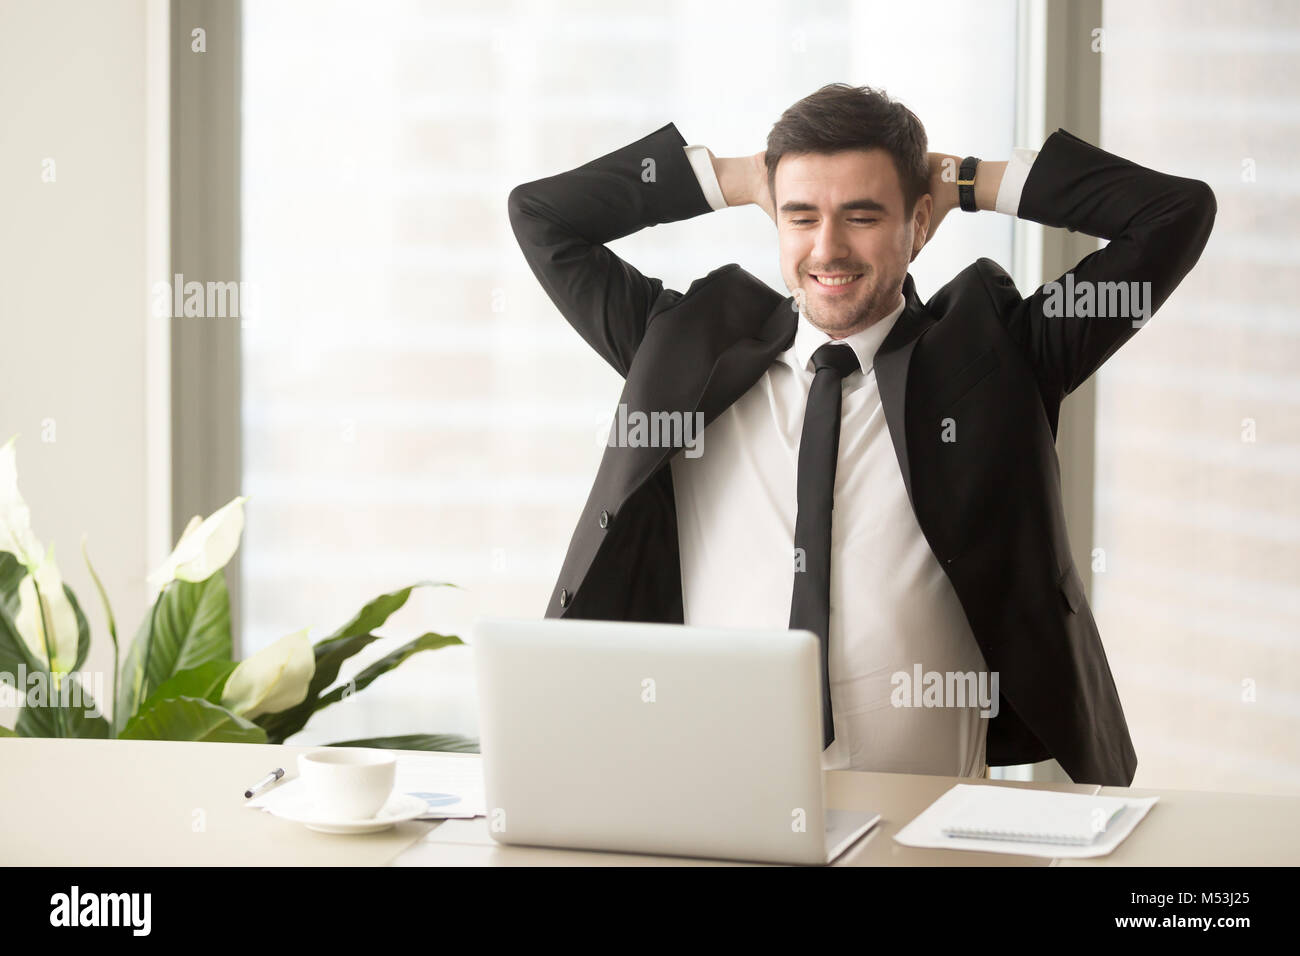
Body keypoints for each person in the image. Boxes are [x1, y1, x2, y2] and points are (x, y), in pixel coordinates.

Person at [507, 83, 1215, 786]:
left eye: (863, 215)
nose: (829, 248)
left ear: (920, 222)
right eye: (801, 214)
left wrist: (966, 179)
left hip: (932, 825)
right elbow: (542, 216)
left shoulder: (1000, 358)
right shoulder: (682, 349)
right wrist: (740, 175)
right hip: (722, 803)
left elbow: (1172, 214)